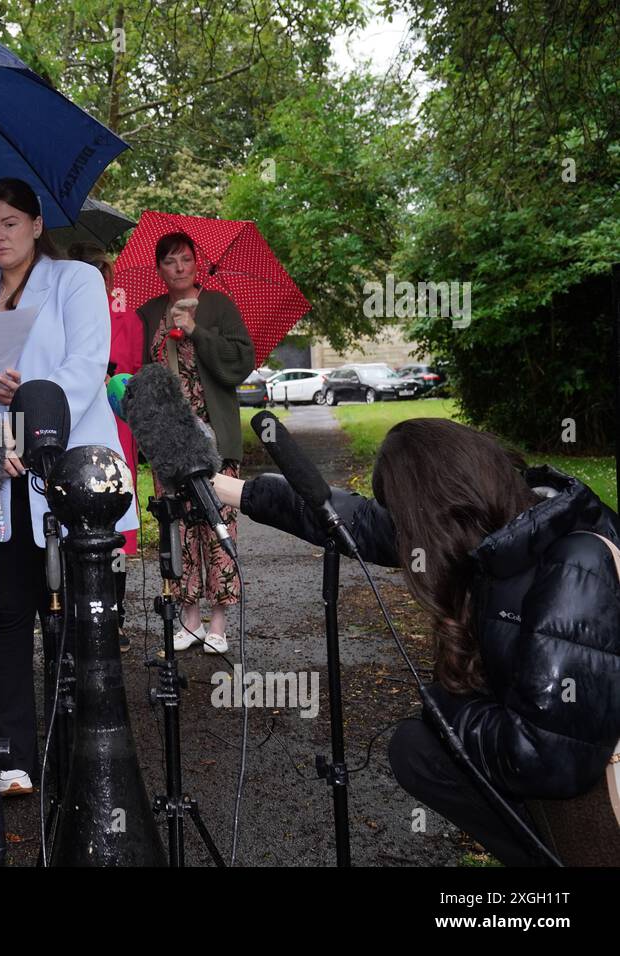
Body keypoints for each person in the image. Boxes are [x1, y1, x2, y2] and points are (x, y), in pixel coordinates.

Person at [212, 418, 620, 865]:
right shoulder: (490, 526)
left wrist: (446, 705)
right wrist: (225, 488)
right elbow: (356, 520)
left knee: (434, 744)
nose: (401, 534)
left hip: (591, 798)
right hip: (550, 753)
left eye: (405, 516)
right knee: (415, 750)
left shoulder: (574, 565)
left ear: (433, 508)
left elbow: (545, 759)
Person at [0, 179, 137, 797]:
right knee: (6, 615)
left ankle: (82, 747)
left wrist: (30, 400)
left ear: (37, 225)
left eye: (10, 222)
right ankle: (14, 753)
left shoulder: (75, 281)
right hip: (3, 479)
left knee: (77, 619)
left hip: (73, 473)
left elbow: (88, 368)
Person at [136, 231, 254, 654]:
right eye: (169, 261)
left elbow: (241, 362)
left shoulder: (219, 305)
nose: (179, 268)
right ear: (159, 269)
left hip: (215, 440)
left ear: (196, 262)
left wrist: (197, 332)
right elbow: (139, 373)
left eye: (185, 259)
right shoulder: (149, 312)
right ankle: (189, 620)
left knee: (217, 524)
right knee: (178, 529)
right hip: (171, 444)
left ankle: (218, 624)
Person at [69, 240, 143, 652]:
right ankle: (73, 613)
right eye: (89, 272)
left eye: (103, 273)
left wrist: (114, 383)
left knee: (115, 525)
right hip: (75, 425)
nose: (98, 281)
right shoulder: (62, 316)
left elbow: (133, 375)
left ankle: (114, 618)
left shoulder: (127, 320)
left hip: (116, 426)